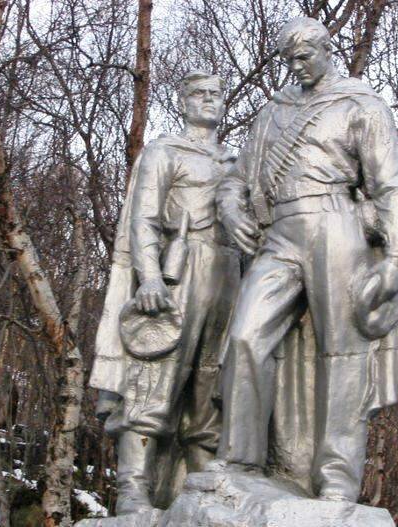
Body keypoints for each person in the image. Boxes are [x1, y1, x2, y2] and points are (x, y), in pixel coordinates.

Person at [215, 17, 398, 502]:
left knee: (342, 353)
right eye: (289, 58)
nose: (297, 65)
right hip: (279, 235)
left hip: (336, 225)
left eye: (305, 55)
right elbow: (235, 180)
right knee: (246, 336)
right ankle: (241, 460)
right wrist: (231, 211)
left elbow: (390, 185)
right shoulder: (271, 112)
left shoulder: (360, 104)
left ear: (328, 49)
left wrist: (394, 258)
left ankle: (337, 477)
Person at [89, 71, 240, 514]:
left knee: (212, 383)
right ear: (183, 102)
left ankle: (203, 487)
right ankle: (132, 487)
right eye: (199, 93)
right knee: (155, 375)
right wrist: (150, 276)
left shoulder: (237, 161)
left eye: (216, 94)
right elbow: (144, 218)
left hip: (229, 271)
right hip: (180, 269)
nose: (208, 100)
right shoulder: (164, 151)